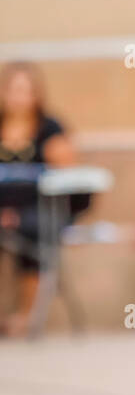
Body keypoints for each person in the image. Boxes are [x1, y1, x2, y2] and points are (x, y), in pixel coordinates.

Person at [0, 60, 76, 337]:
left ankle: (25, 315)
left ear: (36, 95)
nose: (19, 97)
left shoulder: (50, 128)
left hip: (37, 209)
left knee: (34, 233)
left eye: (25, 90)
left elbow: (66, 176)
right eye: (13, 89)